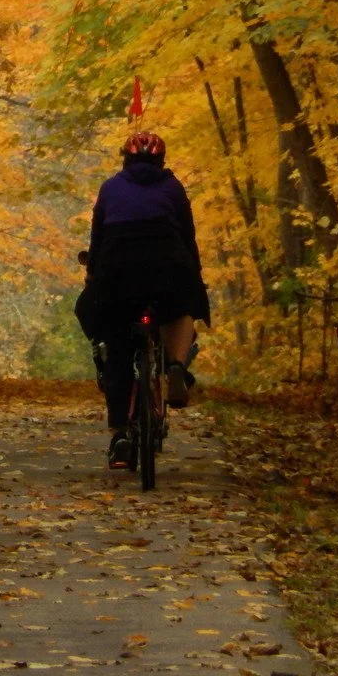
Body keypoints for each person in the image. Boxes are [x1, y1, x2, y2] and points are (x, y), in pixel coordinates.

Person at [79, 131, 209, 469]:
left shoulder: (110, 188)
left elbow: (98, 239)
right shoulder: (173, 188)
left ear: (125, 159)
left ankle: (121, 435)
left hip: (118, 270)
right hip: (169, 262)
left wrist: (92, 276)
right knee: (180, 308)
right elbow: (187, 236)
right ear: (161, 162)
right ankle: (177, 366)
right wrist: (193, 277)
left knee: (118, 344)